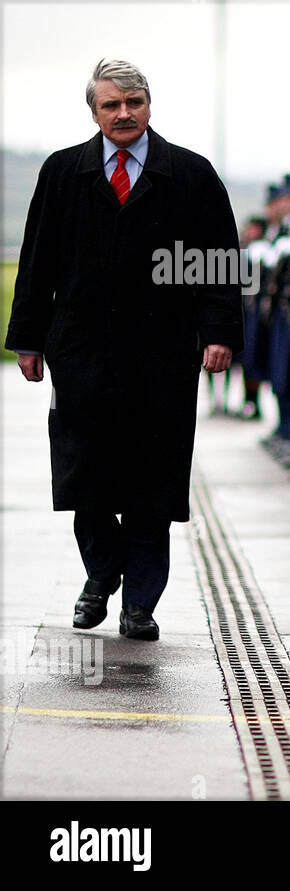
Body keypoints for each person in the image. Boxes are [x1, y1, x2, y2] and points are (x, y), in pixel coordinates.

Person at [6, 59, 242, 641]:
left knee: (151, 483)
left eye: (133, 102)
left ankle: (140, 603)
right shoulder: (63, 172)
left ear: (149, 105)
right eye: (111, 105)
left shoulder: (189, 174)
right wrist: (28, 339)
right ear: (94, 112)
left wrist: (219, 333)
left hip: (161, 355)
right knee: (86, 476)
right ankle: (100, 573)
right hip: (81, 352)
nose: (124, 114)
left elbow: (218, 262)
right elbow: (37, 261)